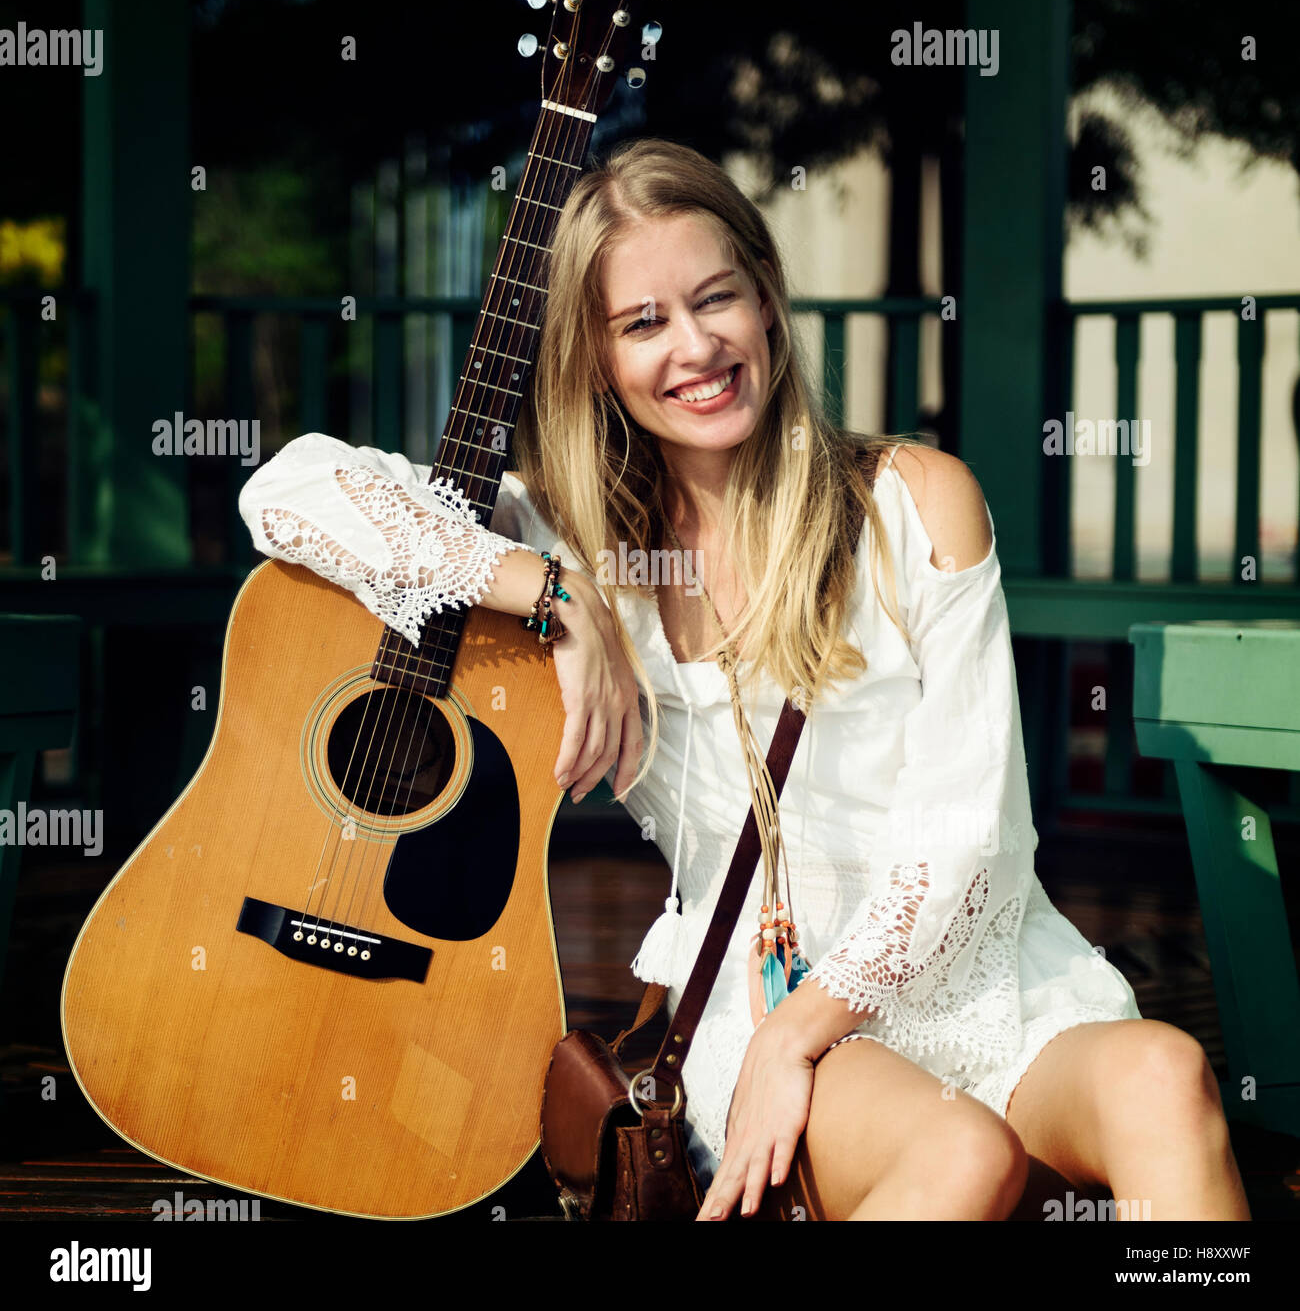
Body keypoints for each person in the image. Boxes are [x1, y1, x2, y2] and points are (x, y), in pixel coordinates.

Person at [238, 138, 1249, 1221]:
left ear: (765, 300)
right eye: (643, 323)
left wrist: (800, 1034)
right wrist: (556, 600)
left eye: (715, 298)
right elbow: (286, 493)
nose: (694, 346)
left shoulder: (911, 501)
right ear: (595, 361)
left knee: (1166, 1075)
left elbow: (968, 830)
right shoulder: (576, 541)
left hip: (981, 985)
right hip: (753, 999)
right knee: (963, 1155)